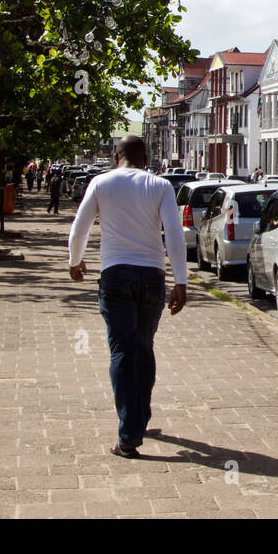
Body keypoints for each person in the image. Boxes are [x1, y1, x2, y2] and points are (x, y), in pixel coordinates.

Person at [67, 135, 187, 459]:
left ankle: (129, 434)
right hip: (152, 276)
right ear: (145, 157)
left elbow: (80, 228)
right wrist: (181, 281)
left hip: (115, 274)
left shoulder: (101, 183)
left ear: (115, 156)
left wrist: (74, 262)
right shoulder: (160, 186)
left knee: (121, 350)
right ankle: (139, 418)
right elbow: (173, 233)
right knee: (144, 346)